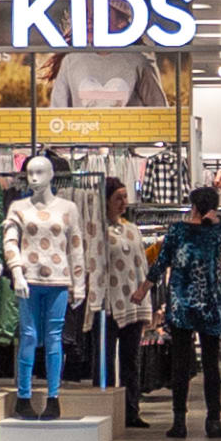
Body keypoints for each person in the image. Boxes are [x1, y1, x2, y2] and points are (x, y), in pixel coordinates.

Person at [153, 186, 221, 440]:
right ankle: (213, 420)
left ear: (193, 206)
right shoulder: (218, 230)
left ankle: (179, 422)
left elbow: (162, 260)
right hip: (209, 304)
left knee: (181, 364)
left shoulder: (177, 230)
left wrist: (145, 285)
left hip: (182, 303)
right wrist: (214, 218)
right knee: (211, 365)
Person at [93, 178, 154, 428]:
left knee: (131, 359)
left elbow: (142, 265)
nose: (123, 203)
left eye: (125, 197)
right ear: (105, 200)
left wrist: (145, 297)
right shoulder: (98, 230)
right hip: (108, 302)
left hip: (133, 302)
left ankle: (131, 410)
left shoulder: (132, 229)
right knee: (104, 358)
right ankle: (103, 409)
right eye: (117, 197)